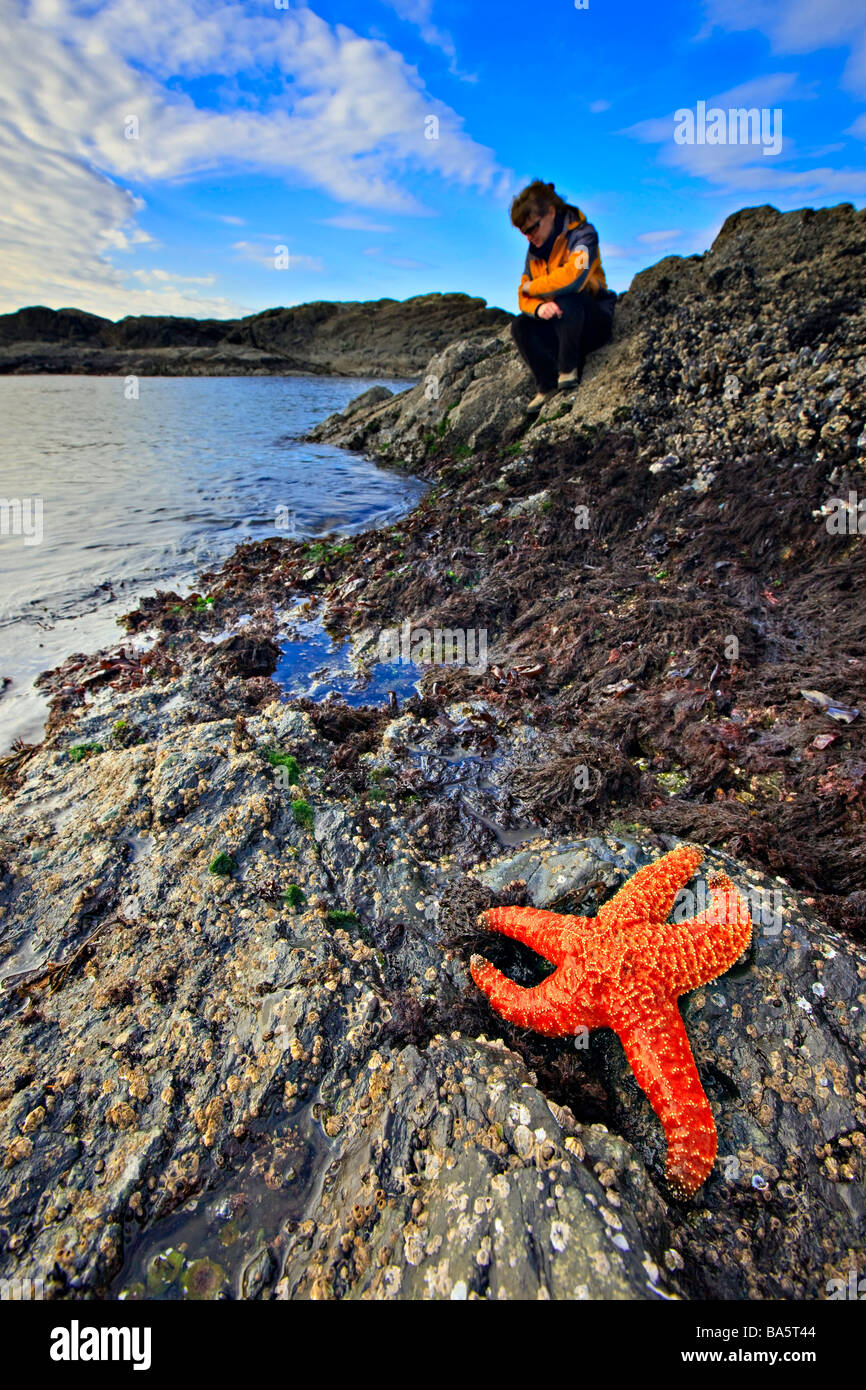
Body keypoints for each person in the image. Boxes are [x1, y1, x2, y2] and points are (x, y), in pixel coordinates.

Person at [510, 180, 616, 410]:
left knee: (569, 299)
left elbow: (574, 277)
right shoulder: (534, 253)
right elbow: (522, 296)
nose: (529, 237)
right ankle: (546, 385)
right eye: (524, 232)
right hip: (559, 326)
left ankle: (568, 369)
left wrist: (534, 288)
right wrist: (539, 308)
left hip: (591, 321)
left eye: (532, 228)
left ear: (551, 211)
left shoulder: (584, 235)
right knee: (520, 325)